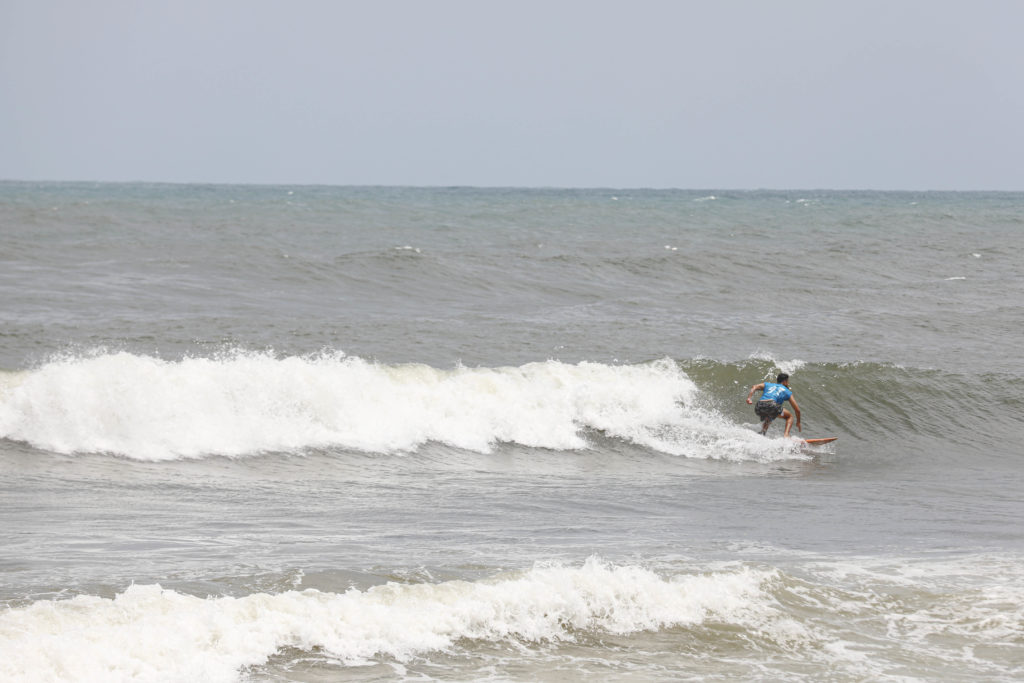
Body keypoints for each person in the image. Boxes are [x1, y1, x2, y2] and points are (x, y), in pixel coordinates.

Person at [746, 372, 801, 437]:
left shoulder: (768, 384)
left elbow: (754, 387)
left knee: (769, 416)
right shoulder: (787, 391)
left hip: (758, 406)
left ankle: (762, 433)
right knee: (789, 416)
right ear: (785, 381)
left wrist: (749, 398)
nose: (788, 383)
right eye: (787, 381)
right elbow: (797, 410)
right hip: (772, 405)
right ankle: (786, 435)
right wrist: (798, 422)